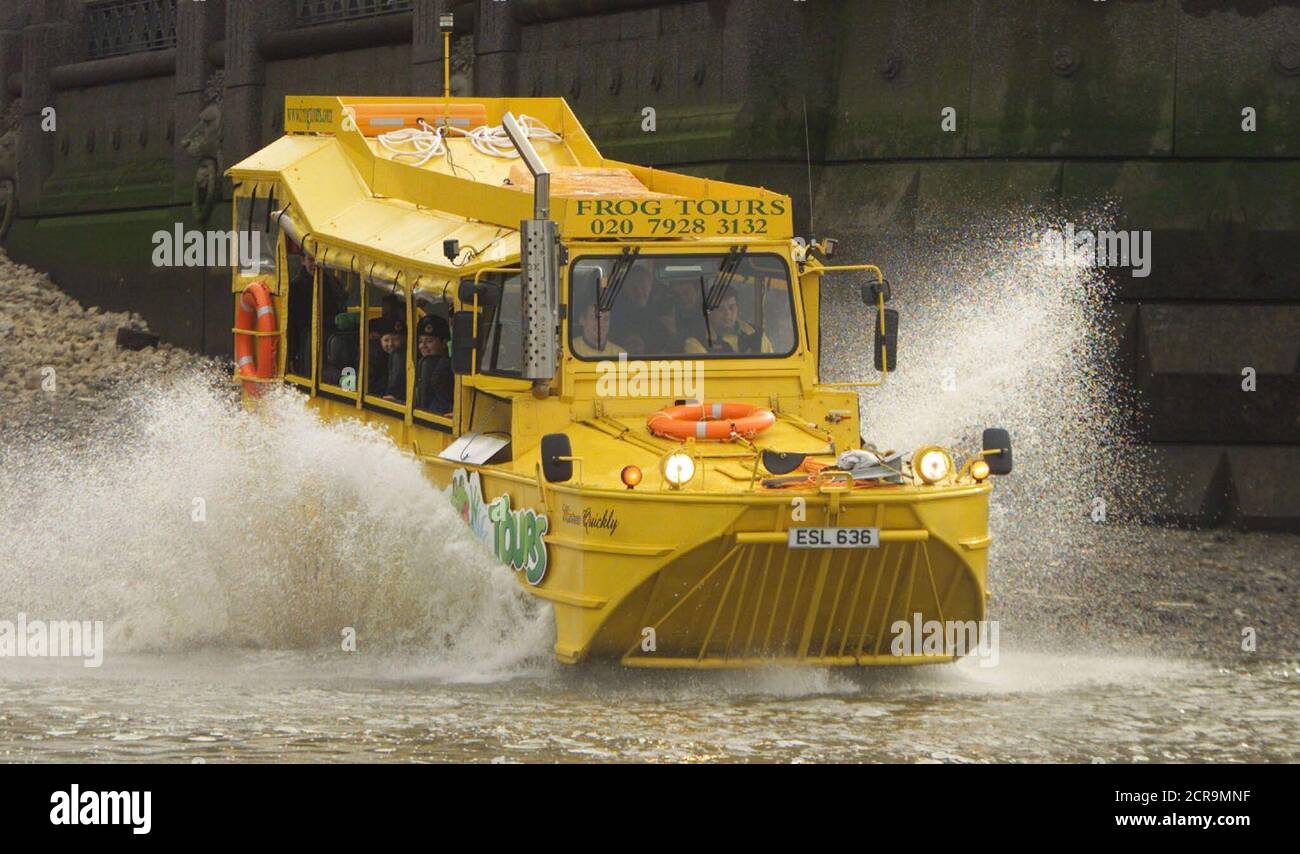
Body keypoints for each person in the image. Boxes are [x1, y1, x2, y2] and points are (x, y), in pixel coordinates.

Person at [684, 291, 772, 355]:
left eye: (731, 307)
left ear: (738, 308)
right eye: (720, 309)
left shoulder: (758, 336)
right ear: (709, 313)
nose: (727, 313)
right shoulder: (695, 342)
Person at [415, 314, 454, 414]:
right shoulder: (419, 363)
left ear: (444, 343)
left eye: (429, 341)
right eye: (420, 341)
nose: (423, 346)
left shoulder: (448, 367)